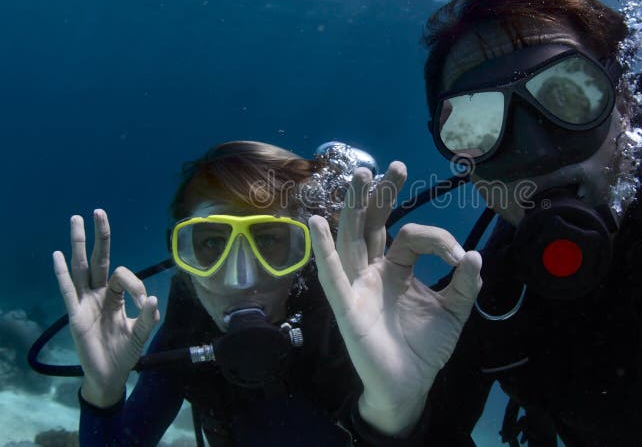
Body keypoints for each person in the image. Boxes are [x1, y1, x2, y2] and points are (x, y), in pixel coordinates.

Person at [366, 0, 642, 446]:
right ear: (465, 167)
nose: (535, 150)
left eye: (567, 97)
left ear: (624, 105)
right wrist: (395, 415)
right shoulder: (483, 302)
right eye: (478, 124)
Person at [52, 140, 483, 445]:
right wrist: (103, 392)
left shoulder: (358, 328)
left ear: (309, 252)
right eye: (210, 244)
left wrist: (398, 414)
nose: (240, 279)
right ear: (180, 256)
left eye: (272, 241)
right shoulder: (189, 331)